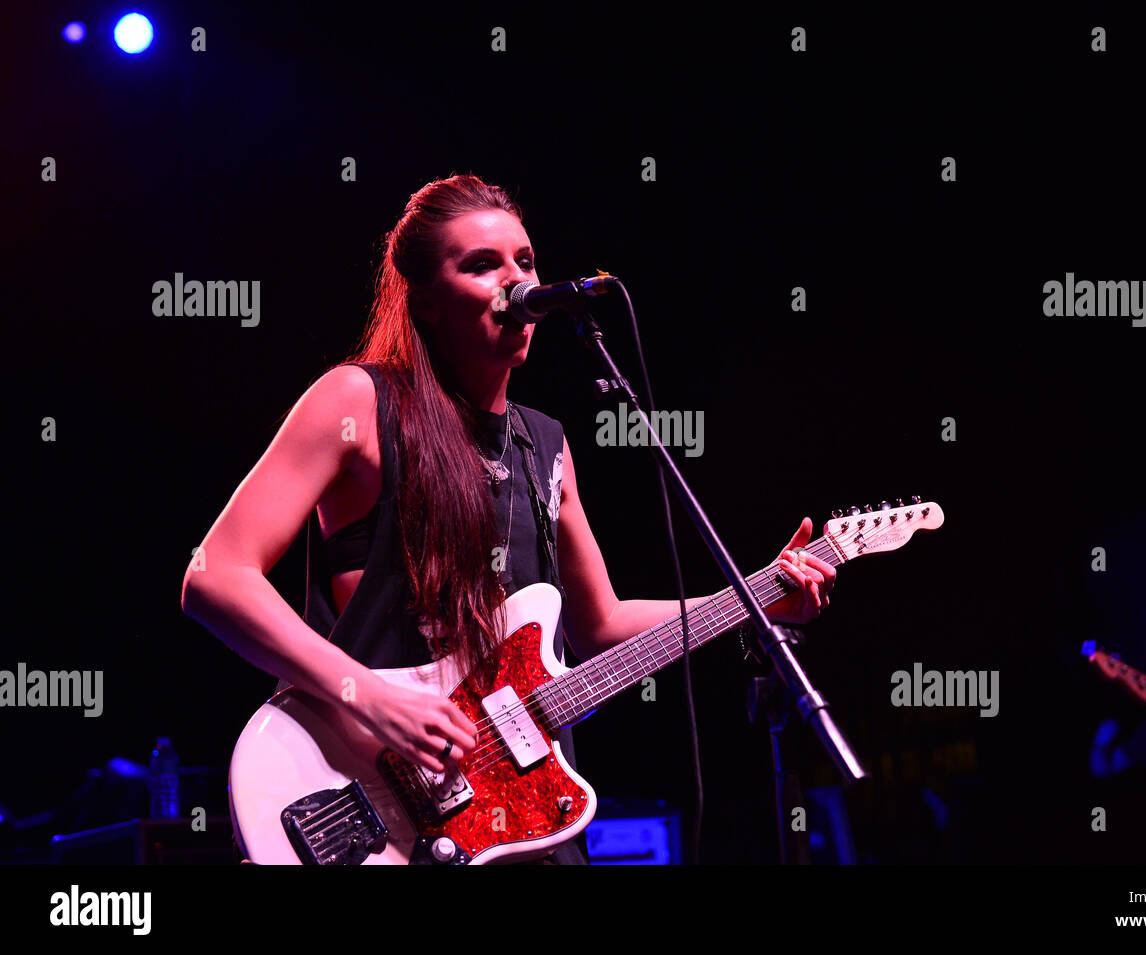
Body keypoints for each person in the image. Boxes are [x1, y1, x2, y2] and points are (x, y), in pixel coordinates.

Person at [179, 174, 836, 864]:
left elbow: (599, 624)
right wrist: (370, 695)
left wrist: (759, 598)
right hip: (368, 792)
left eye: (525, 261)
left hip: (517, 816)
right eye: (483, 264)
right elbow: (216, 576)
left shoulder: (545, 445)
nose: (516, 282)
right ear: (426, 302)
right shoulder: (359, 403)